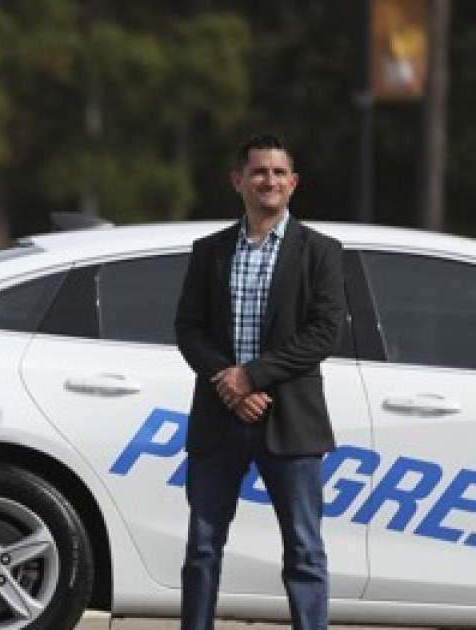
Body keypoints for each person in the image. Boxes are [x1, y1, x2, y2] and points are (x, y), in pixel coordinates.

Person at [173, 133, 345, 630]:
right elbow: (188, 327)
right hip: (218, 419)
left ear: (293, 183)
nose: (267, 181)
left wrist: (251, 376)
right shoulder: (209, 251)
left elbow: (322, 334)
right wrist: (227, 382)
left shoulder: (321, 252)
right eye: (257, 172)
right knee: (202, 549)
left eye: (276, 173)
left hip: (291, 423)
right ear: (238, 181)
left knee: (304, 551)